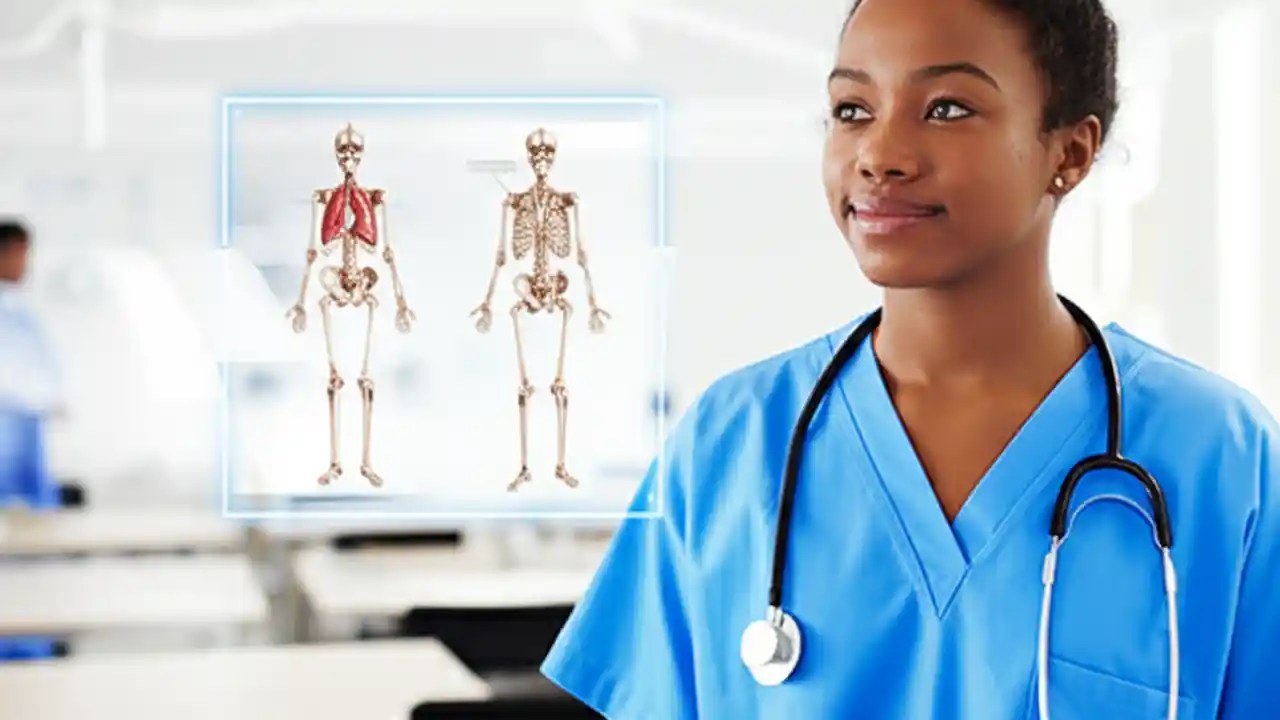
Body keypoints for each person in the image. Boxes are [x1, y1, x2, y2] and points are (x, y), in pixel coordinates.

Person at [540, 0, 1279, 717]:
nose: (880, 156)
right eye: (853, 110)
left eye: (948, 108)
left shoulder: (1216, 451)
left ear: (1071, 152)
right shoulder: (731, 439)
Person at [0, 218, 61, 509]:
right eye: (21, 255)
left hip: (26, 412)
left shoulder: (18, 305)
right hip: (10, 412)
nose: (26, 264)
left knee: (33, 502)